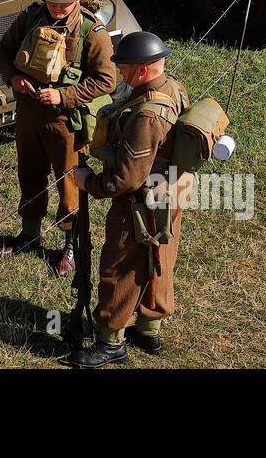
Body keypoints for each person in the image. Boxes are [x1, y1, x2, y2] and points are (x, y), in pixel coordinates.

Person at [67, 30, 189, 368]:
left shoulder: (147, 114)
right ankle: (149, 328)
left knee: (120, 266)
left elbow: (125, 178)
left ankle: (110, 341)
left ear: (144, 69)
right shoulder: (173, 87)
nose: (119, 72)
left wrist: (89, 181)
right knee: (160, 258)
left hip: (141, 201)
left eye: (124, 67)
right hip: (170, 192)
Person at [0, 0, 116, 277]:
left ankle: (70, 247)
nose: (58, 9)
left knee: (70, 184)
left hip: (66, 122)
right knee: (30, 174)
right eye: (53, 3)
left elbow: (106, 80)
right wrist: (14, 78)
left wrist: (64, 96)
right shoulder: (31, 17)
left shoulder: (92, 31)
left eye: (64, 3)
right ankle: (30, 234)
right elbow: (3, 50)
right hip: (29, 113)